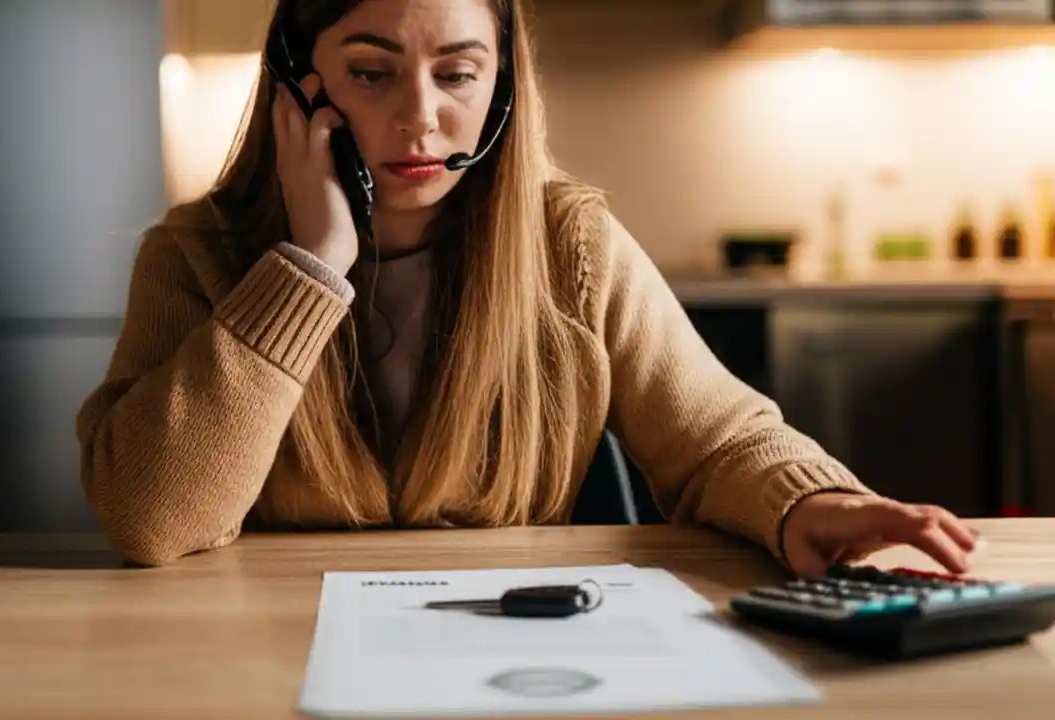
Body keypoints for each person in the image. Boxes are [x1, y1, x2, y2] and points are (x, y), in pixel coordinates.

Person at [75, 0, 980, 576]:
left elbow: (719, 439)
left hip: (509, 648)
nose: (421, 117)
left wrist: (809, 501)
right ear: (296, 87)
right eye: (371, 72)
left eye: (458, 74)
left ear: (502, 90)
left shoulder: (568, 244)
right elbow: (149, 519)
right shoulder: (194, 256)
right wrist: (310, 265)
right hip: (262, 657)